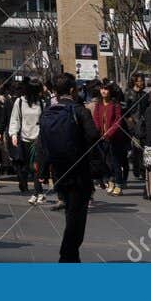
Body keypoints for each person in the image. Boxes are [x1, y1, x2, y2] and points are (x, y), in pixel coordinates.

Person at [39, 72, 101, 262]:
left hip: (58, 171)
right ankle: (67, 256)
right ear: (73, 90)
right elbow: (93, 136)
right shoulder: (80, 110)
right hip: (79, 171)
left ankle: (72, 257)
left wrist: (42, 171)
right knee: (77, 216)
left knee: (70, 213)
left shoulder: (48, 113)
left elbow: (42, 144)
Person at [8, 78, 47, 204]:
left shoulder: (42, 103)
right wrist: (13, 134)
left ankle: (36, 194)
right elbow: (15, 119)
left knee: (36, 167)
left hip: (38, 139)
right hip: (25, 139)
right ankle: (40, 192)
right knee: (29, 167)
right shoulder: (19, 102)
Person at [91, 82, 127, 195]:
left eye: (106, 89)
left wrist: (109, 133)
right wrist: (97, 133)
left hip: (114, 138)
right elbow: (96, 119)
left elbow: (118, 121)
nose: (103, 91)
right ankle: (110, 180)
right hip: (101, 138)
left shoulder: (115, 104)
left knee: (115, 162)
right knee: (104, 162)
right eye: (102, 89)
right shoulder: (98, 104)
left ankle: (119, 184)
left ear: (110, 91)